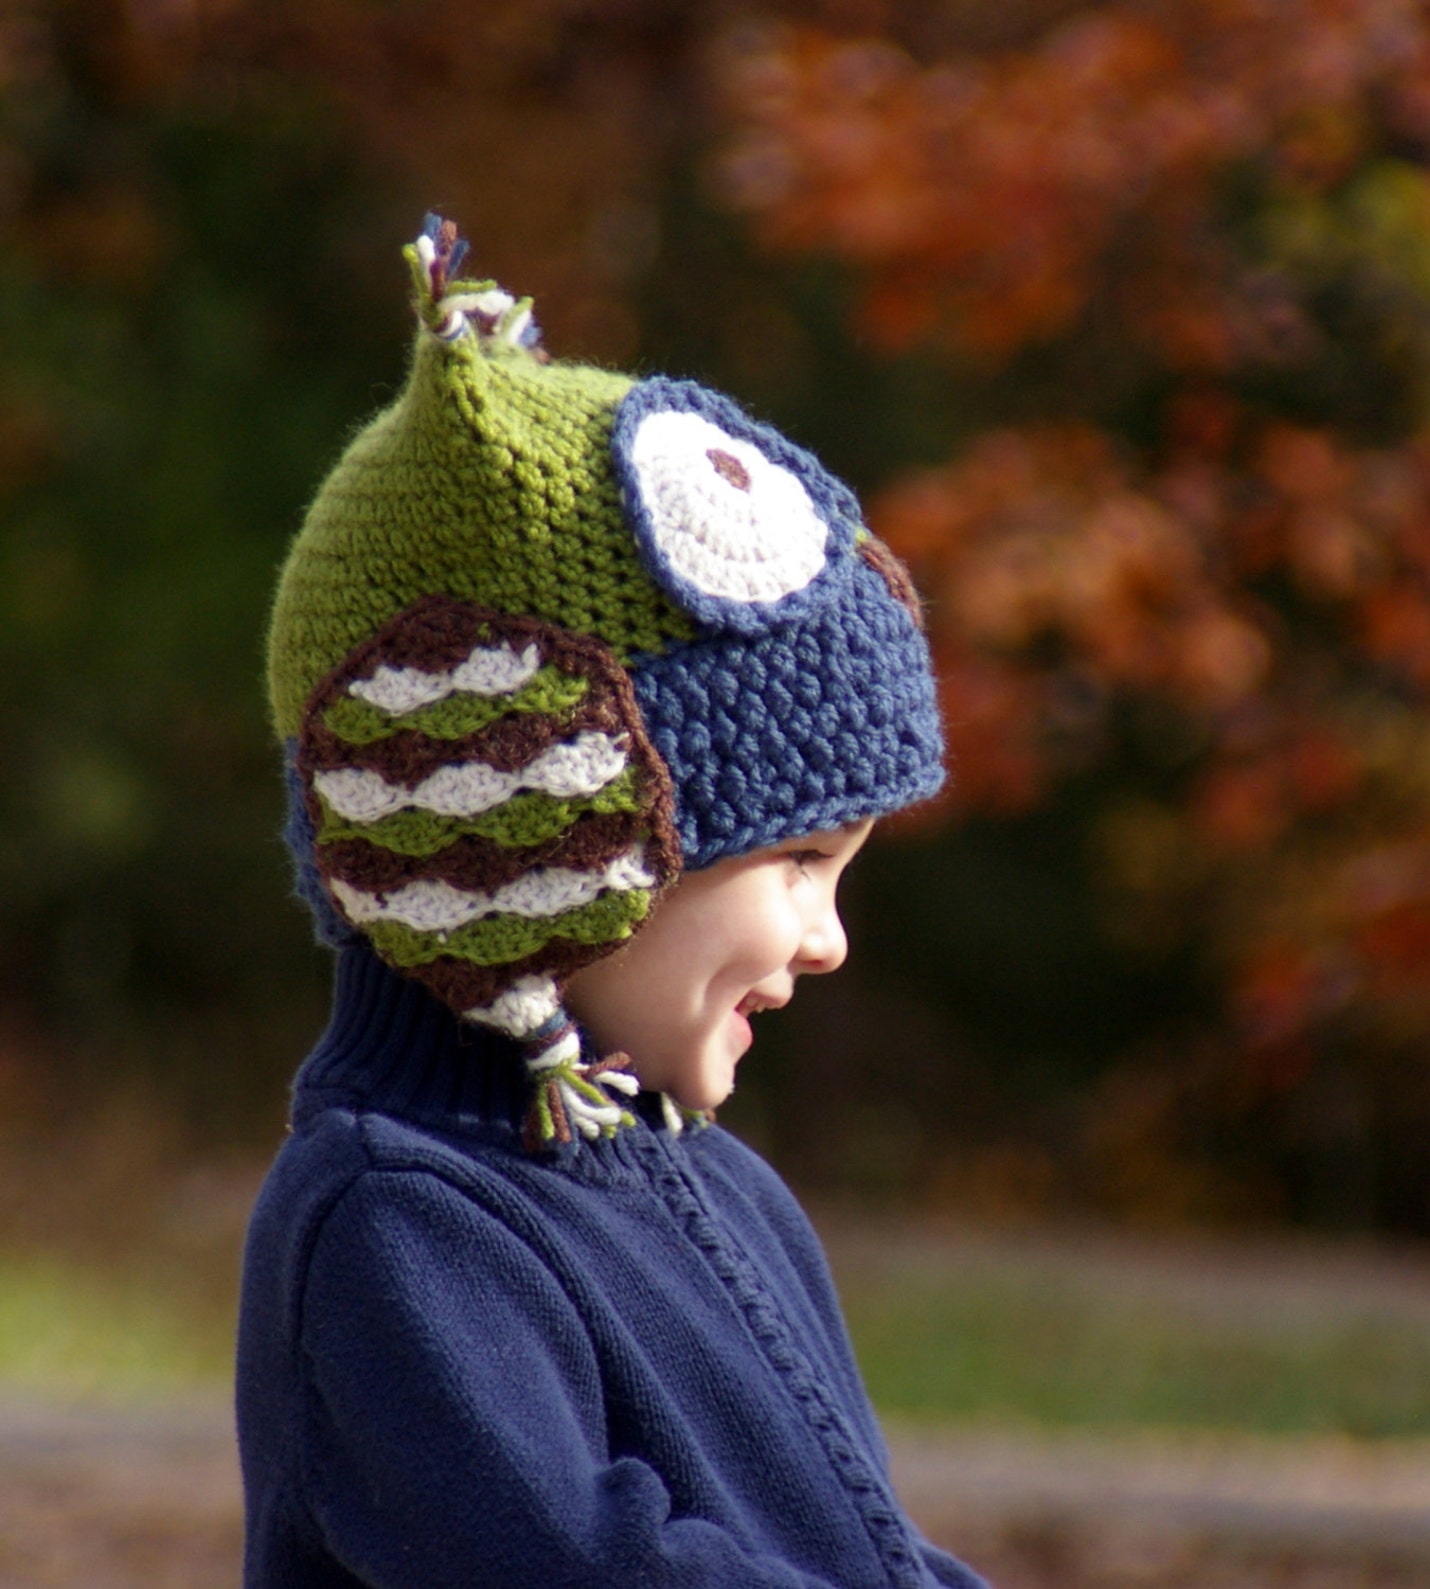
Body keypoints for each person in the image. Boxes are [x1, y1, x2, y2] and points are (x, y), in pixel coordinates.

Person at [235, 215, 985, 1589]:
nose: (829, 940)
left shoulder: (724, 1188)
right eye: (797, 861)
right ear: (542, 833)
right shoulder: (400, 1225)